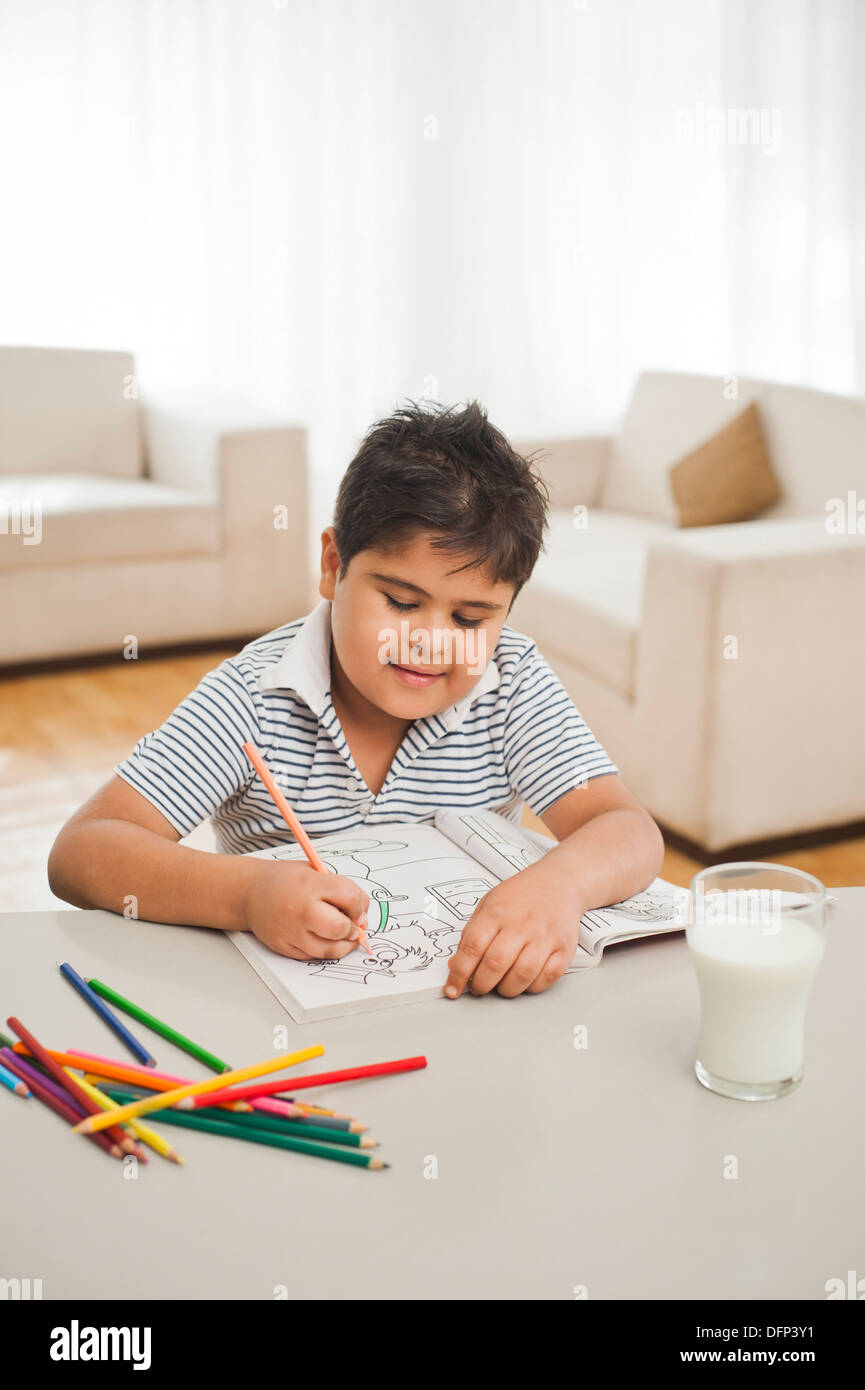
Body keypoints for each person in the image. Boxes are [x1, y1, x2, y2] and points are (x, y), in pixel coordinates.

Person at [48, 399, 664, 999]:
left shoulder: (511, 682)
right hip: (281, 1018)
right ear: (332, 563)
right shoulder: (253, 697)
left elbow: (627, 830)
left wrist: (559, 885)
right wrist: (248, 894)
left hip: (464, 1007)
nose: (429, 643)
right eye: (399, 601)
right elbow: (84, 851)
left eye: (471, 618)